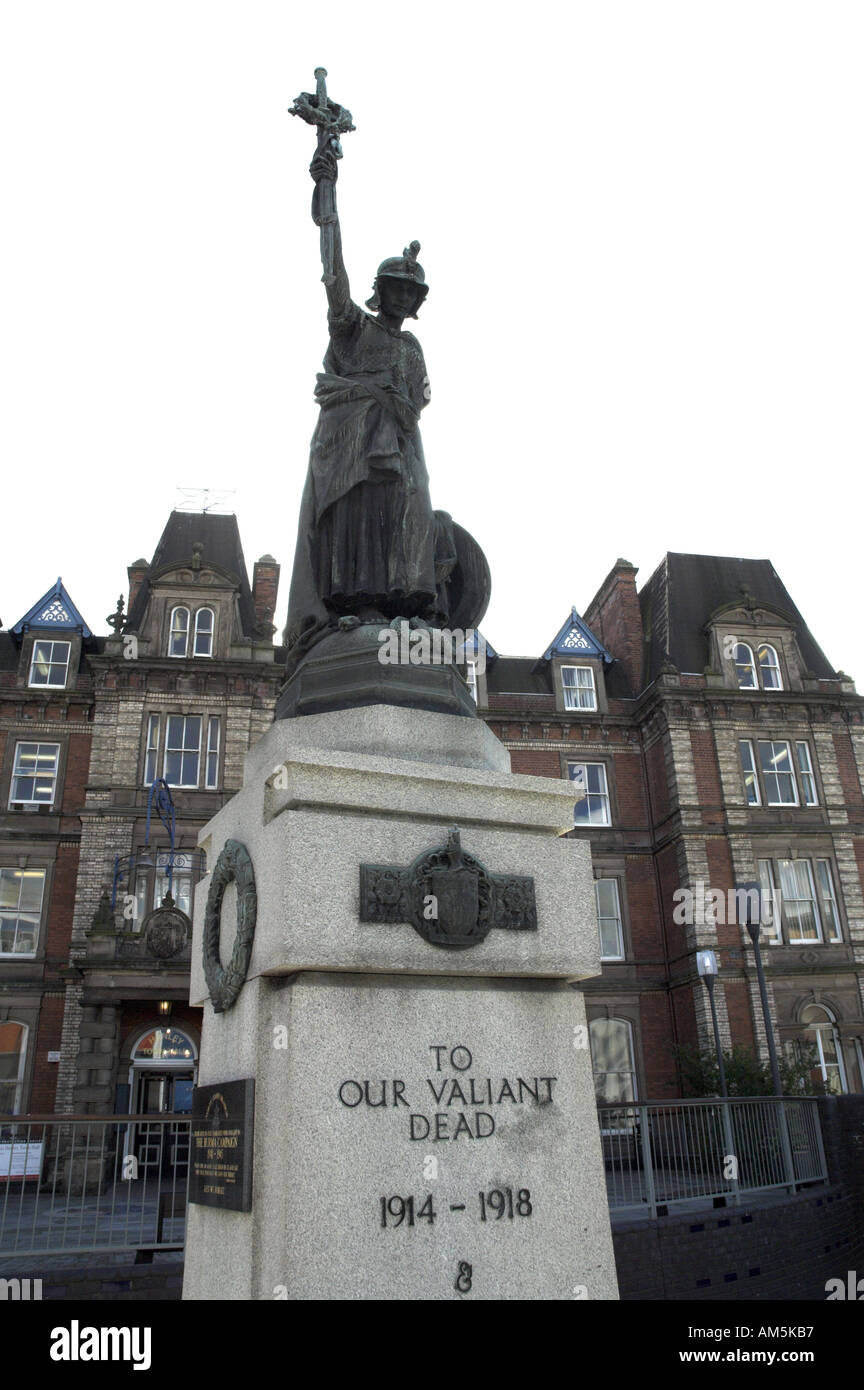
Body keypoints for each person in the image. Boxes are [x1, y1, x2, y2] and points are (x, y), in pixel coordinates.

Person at [285, 147, 453, 659]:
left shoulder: (411, 348)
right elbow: (333, 274)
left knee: (403, 516)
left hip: (399, 447)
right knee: (355, 517)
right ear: (380, 292)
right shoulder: (353, 327)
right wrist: (327, 194)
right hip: (350, 446)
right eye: (396, 288)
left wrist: (400, 411)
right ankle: (351, 602)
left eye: (412, 291)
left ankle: (399, 600)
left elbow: (420, 399)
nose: (404, 297)